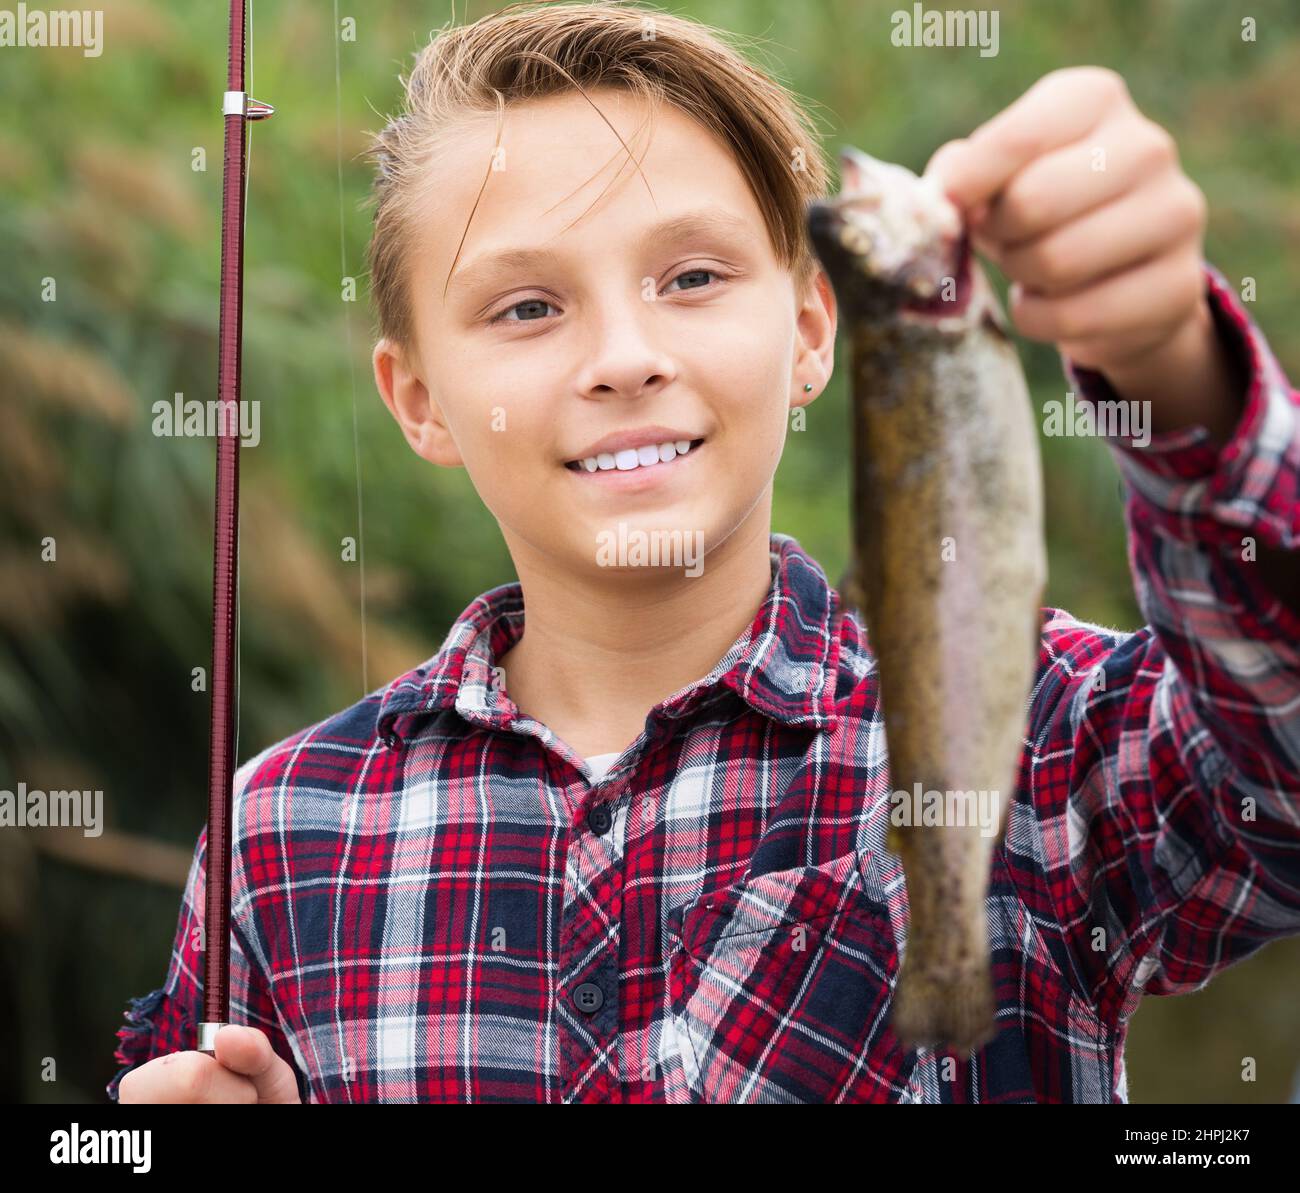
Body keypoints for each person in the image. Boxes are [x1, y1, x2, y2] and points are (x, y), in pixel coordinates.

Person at [112, 2, 1299, 1103]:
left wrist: (1169, 360)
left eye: (692, 277)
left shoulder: (1033, 732)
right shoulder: (278, 828)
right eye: (526, 306)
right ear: (419, 399)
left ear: (810, 332)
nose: (624, 355)